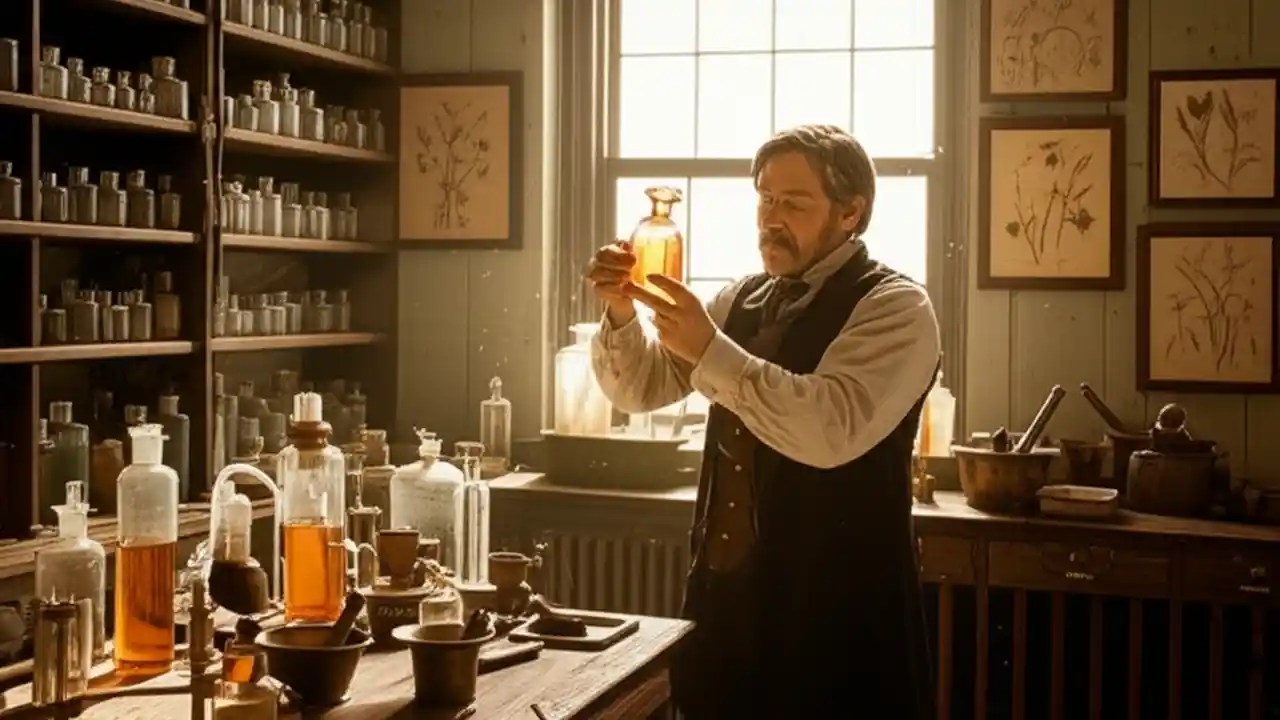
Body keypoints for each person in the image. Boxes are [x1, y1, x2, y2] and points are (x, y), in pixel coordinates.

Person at [586, 124, 941, 718]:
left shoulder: (896, 308)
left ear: (851, 212)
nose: (772, 220)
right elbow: (639, 387)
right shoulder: (739, 301)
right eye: (765, 199)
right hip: (726, 610)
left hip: (837, 620)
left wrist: (709, 349)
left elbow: (827, 429)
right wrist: (621, 311)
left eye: (794, 204)